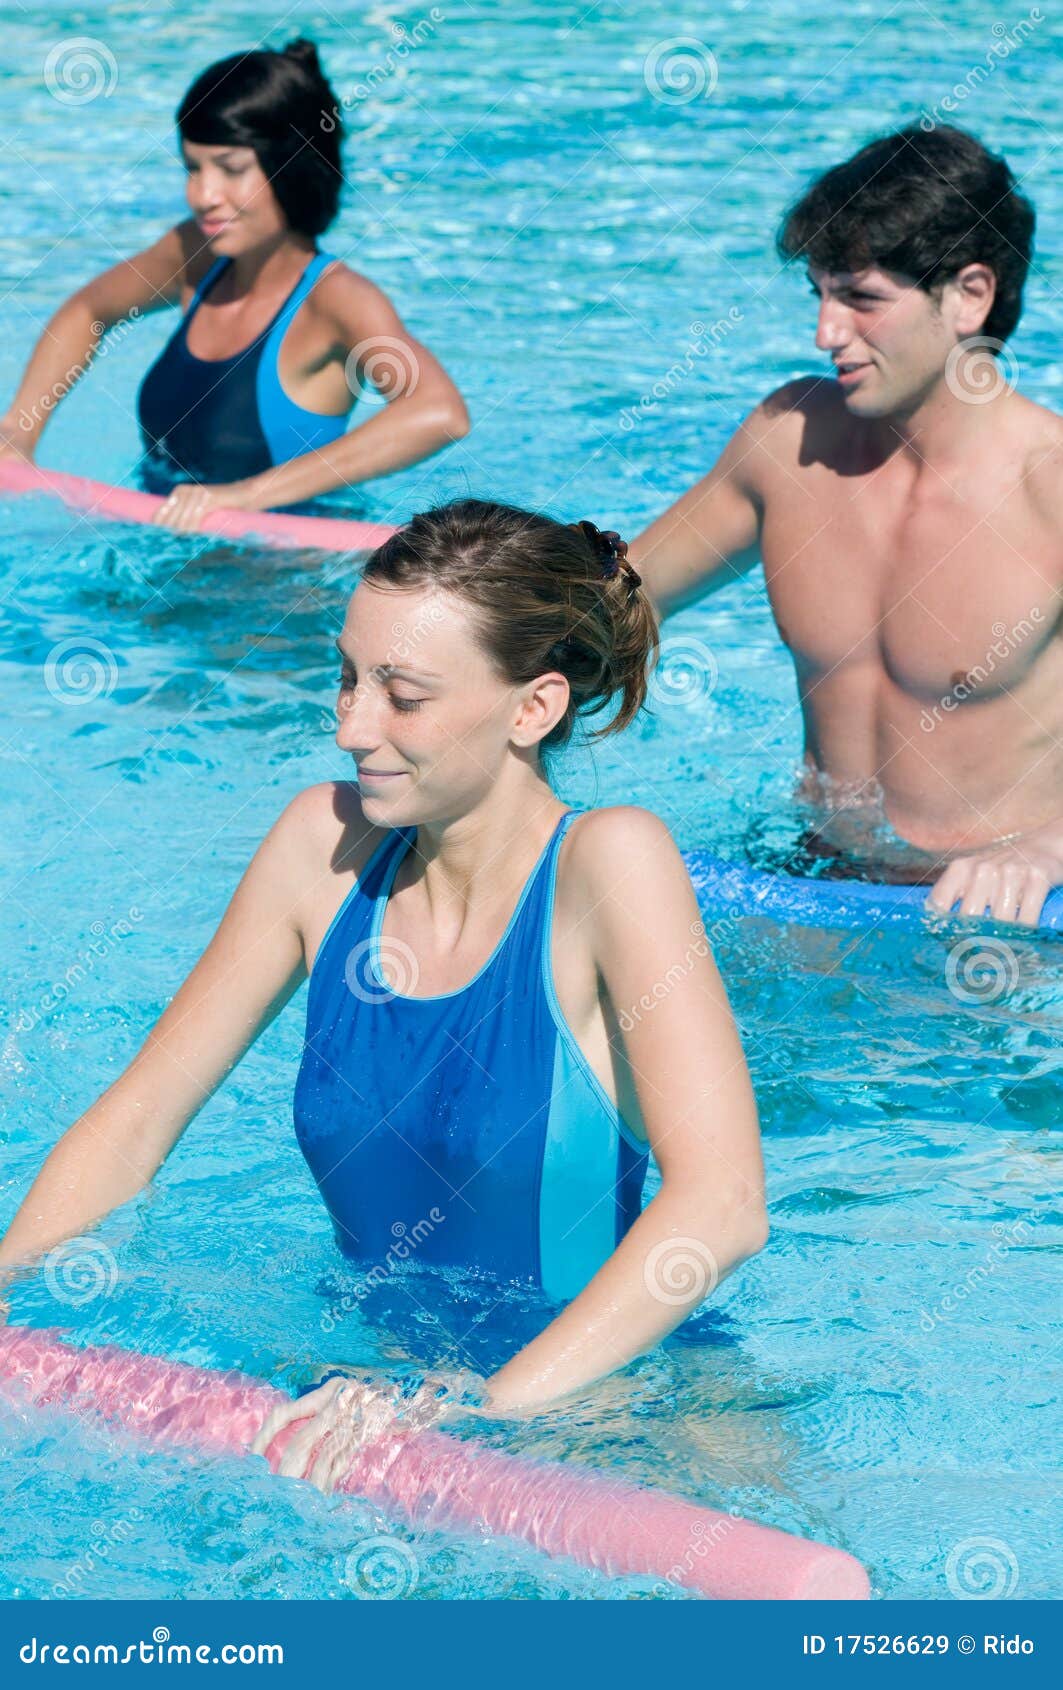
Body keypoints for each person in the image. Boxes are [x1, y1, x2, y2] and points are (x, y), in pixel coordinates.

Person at [0, 499, 766, 1487]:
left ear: (532, 708)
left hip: (618, 1427)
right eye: (347, 679)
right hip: (372, 1405)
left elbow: (724, 1203)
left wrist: (478, 1414)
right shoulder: (321, 849)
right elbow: (135, 1123)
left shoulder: (610, 865)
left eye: (402, 697)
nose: (350, 725)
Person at [631, 124, 1063, 927]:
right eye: (821, 297)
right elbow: (612, 602)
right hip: (803, 887)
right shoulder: (789, 442)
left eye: (861, 299)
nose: (826, 334)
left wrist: (1049, 849)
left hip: (994, 924)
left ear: (969, 295)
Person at [0, 40, 469, 529]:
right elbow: (88, 312)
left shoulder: (336, 300)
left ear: (293, 165)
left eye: (230, 169)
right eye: (192, 168)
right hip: (160, 560)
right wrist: (19, 429)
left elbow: (439, 413)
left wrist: (246, 496)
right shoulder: (196, 257)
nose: (202, 196)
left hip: (281, 585)